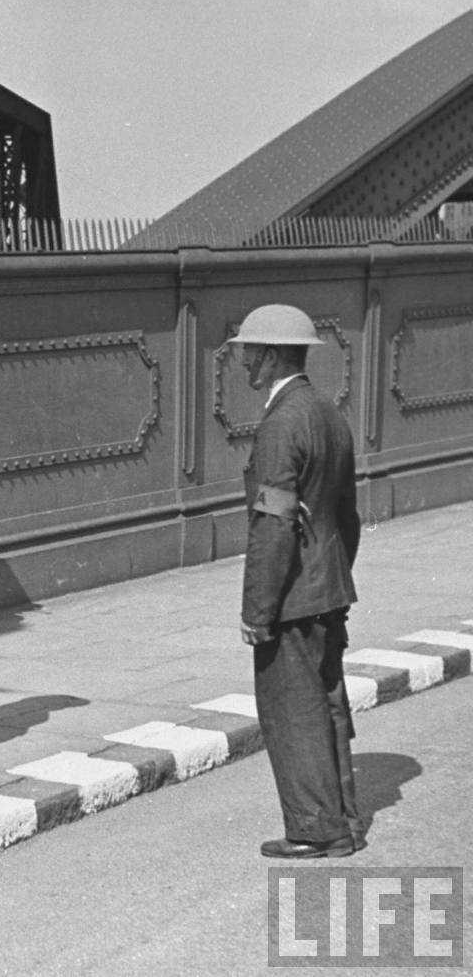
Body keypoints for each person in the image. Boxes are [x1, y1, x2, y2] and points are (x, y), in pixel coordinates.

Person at [230, 303, 363, 859]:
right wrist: (333, 578)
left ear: (269, 354)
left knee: (292, 710)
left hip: (292, 597)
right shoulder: (327, 413)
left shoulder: (281, 424)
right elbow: (347, 517)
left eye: (247, 350)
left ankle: (314, 829)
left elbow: (273, 525)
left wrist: (258, 611)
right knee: (328, 704)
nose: (242, 360)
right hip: (327, 589)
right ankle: (343, 821)